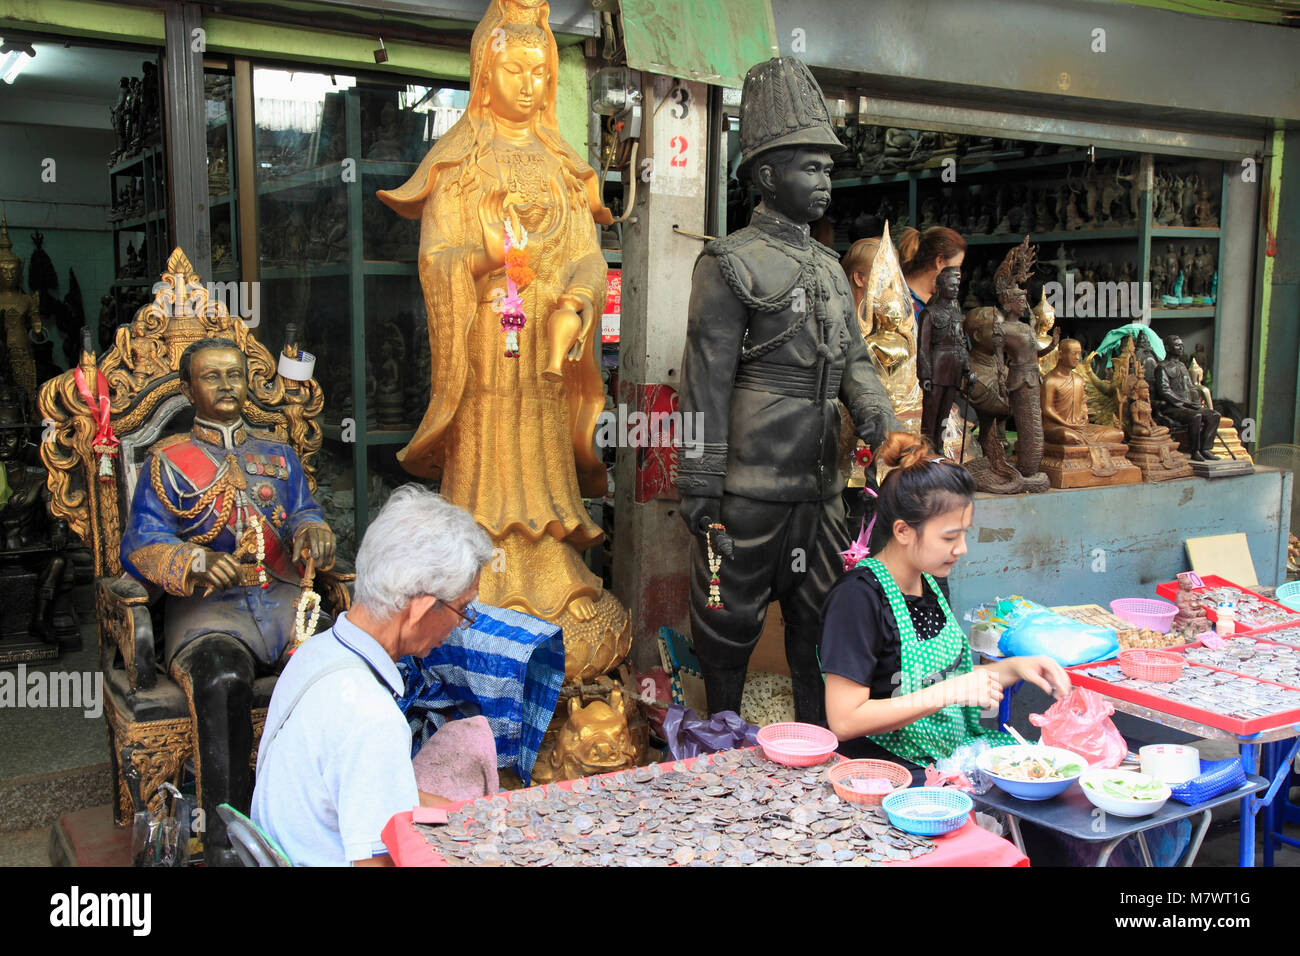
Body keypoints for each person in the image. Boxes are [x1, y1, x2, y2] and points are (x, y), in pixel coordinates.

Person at [120, 336, 336, 866]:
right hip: (209, 614)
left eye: (235, 375)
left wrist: (314, 531)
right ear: (189, 389)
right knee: (221, 679)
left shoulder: (278, 455)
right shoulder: (166, 463)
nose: (226, 386)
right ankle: (228, 847)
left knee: (342, 657)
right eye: (211, 377)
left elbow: (304, 512)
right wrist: (191, 561)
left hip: (287, 602)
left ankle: (323, 821)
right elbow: (140, 544)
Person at [251, 484, 493, 866]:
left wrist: (463, 816)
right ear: (421, 608)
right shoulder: (371, 717)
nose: (461, 624)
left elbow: (371, 788)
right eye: (463, 609)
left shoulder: (315, 652)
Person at [820, 432, 1071, 778]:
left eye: (965, 533)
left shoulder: (931, 584)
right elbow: (845, 720)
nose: (962, 548)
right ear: (904, 531)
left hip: (947, 758)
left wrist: (1017, 667)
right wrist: (948, 692)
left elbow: (948, 679)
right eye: (950, 537)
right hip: (887, 772)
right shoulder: (858, 598)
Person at [900, 226, 967, 319]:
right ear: (939, 261)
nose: (957, 276)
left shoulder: (939, 301)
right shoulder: (899, 301)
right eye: (957, 267)